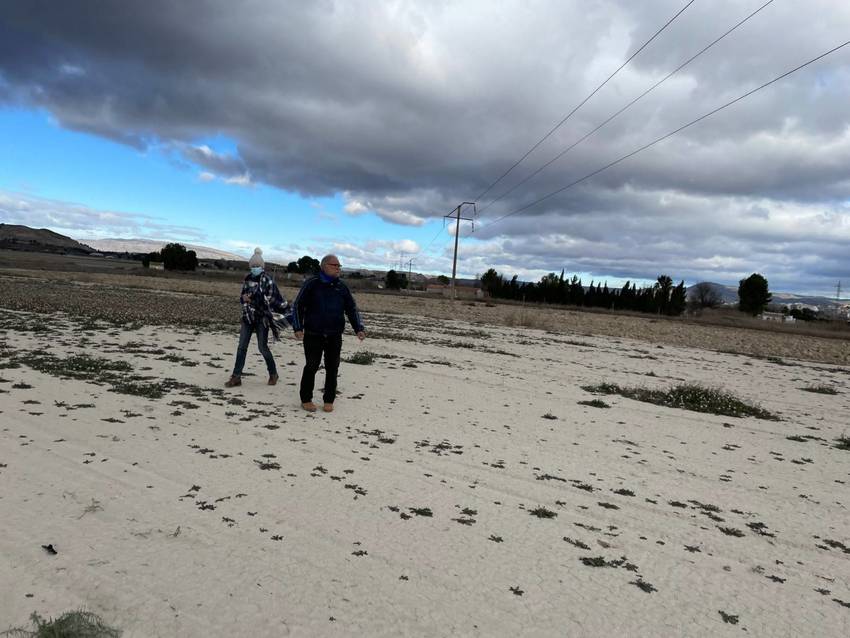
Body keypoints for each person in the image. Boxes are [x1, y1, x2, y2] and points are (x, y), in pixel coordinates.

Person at [291, 254, 365, 412]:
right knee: (312, 365)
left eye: (339, 266)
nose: (338, 268)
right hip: (313, 333)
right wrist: (298, 328)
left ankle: (329, 399)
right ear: (324, 266)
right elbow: (298, 306)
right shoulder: (312, 284)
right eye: (335, 265)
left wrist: (358, 328)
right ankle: (306, 399)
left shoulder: (341, 286)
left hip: (334, 334)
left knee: (333, 367)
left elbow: (351, 308)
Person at [225, 248, 290, 388]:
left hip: (262, 319)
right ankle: (236, 377)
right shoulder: (247, 279)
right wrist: (244, 298)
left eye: (257, 266)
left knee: (262, 347)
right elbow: (242, 296)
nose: (255, 268)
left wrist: (254, 298)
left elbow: (271, 299)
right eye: (253, 266)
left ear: (262, 266)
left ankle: (273, 373)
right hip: (248, 317)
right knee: (242, 347)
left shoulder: (268, 280)